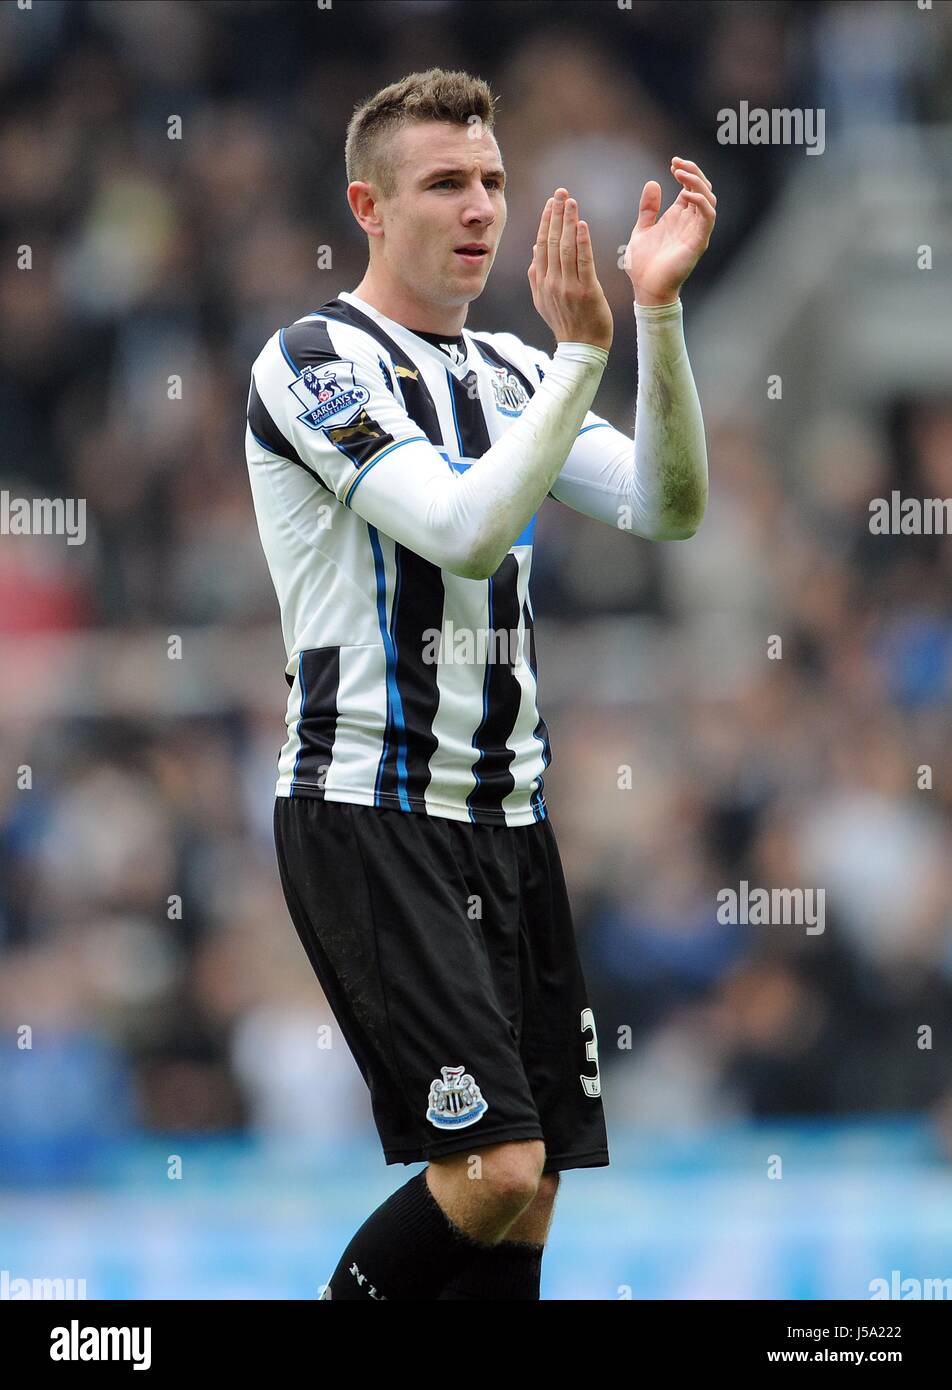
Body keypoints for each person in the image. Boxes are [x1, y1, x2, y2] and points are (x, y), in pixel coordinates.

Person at [245, 67, 714, 1301]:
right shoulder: (314, 362)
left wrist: (651, 321)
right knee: (493, 1166)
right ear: (368, 203)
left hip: (508, 819)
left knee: (535, 1187)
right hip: (370, 805)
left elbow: (667, 507)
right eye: (445, 183)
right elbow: (456, 526)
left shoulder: (512, 370)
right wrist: (581, 358)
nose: (479, 209)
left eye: (493, 182)